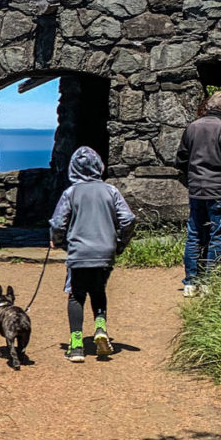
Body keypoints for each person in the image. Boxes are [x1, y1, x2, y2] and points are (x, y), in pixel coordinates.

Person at [50, 146, 135, 363]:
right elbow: (128, 219)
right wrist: (119, 244)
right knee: (98, 290)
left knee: (76, 295)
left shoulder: (71, 193)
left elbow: (58, 223)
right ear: (99, 166)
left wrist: (58, 242)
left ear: (73, 168)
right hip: (105, 252)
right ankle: (100, 328)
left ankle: (76, 345)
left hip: (79, 252)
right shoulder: (110, 191)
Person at [175, 90, 221, 297]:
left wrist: (193, 179)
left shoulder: (192, 127)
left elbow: (180, 160)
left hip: (196, 191)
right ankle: (210, 283)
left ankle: (190, 283)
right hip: (219, 191)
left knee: (194, 235)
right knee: (217, 235)